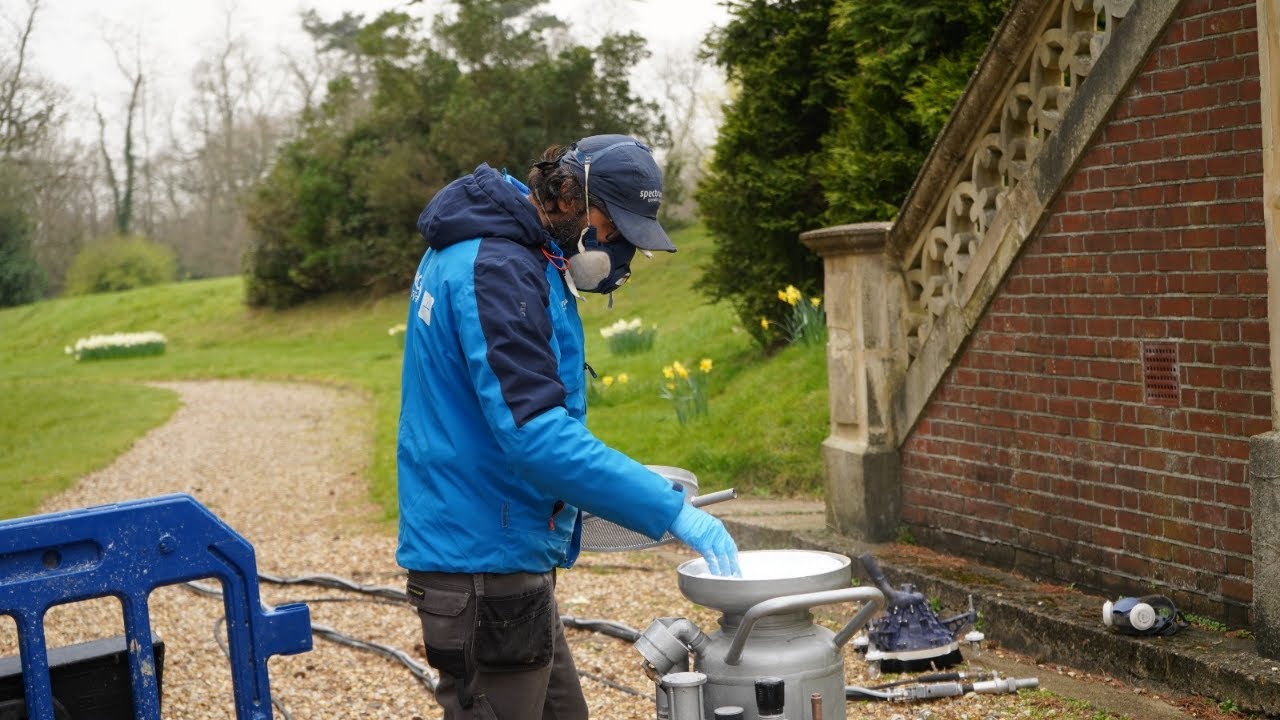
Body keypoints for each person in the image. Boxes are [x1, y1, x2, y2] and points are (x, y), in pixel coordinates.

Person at [396, 133, 741, 719]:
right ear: (570, 194)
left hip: (503, 545)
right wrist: (670, 511)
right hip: (484, 564)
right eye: (615, 228)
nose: (617, 250)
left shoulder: (515, 250)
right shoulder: (498, 267)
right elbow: (535, 436)